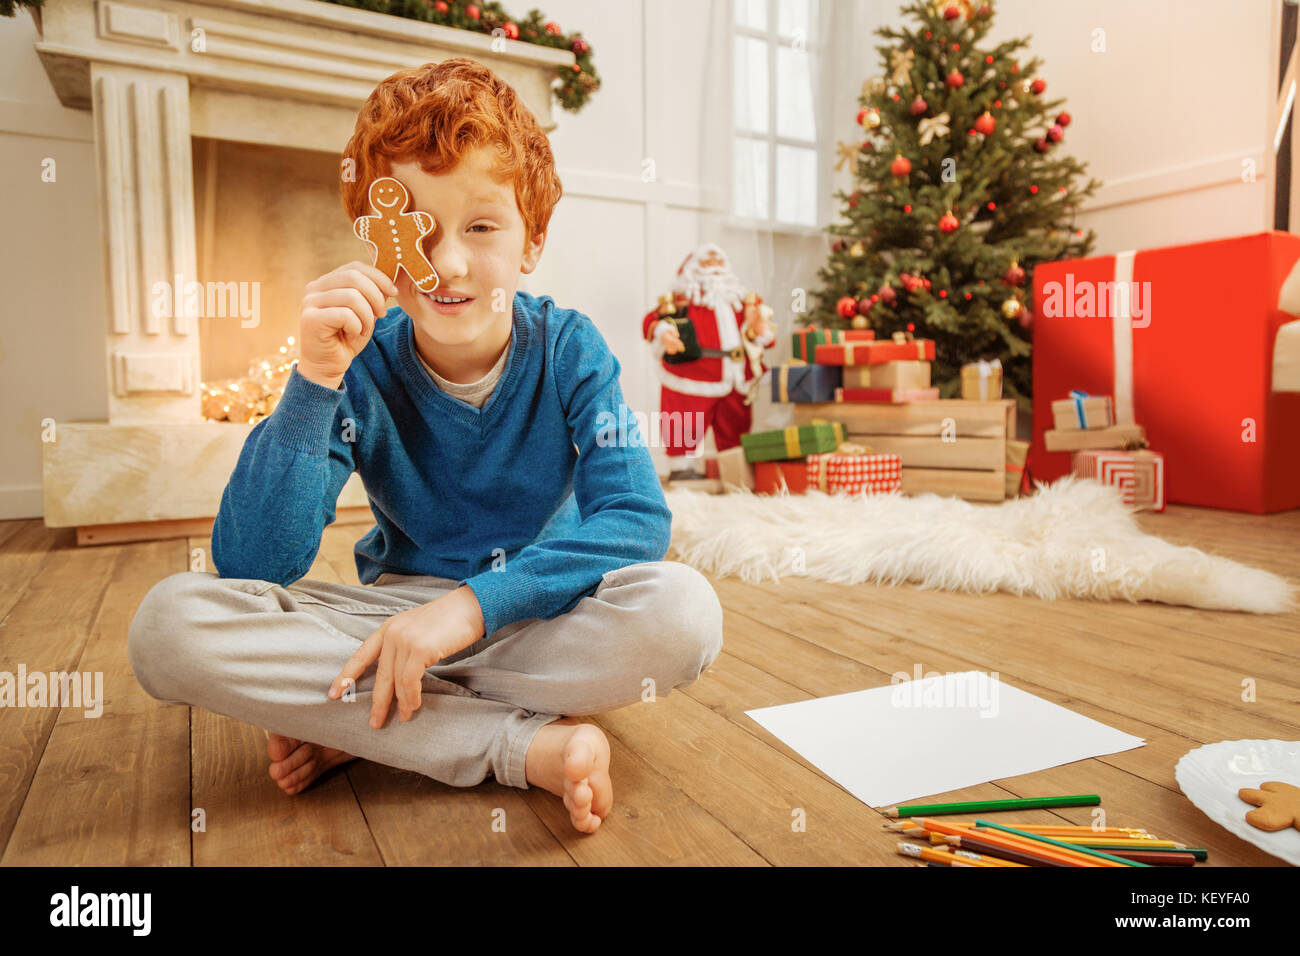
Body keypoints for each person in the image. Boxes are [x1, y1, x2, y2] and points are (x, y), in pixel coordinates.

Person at [127, 58, 723, 836]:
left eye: (481, 226)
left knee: (684, 613)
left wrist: (468, 611)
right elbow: (254, 566)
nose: (445, 264)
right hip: (392, 615)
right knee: (168, 625)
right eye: (416, 229)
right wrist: (312, 381)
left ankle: (373, 725)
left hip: (541, 611)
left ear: (532, 239)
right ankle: (515, 744)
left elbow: (635, 518)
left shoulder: (571, 349)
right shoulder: (360, 362)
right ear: (378, 240)